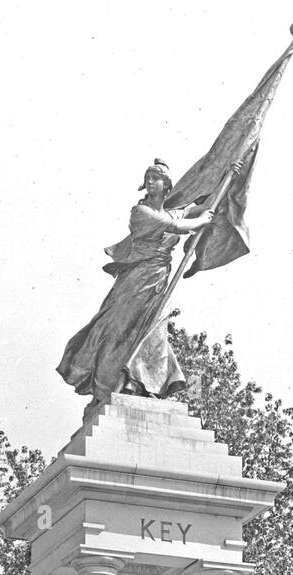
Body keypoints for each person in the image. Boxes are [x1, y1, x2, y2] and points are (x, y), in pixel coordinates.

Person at [57, 159, 215, 404]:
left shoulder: (171, 211)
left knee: (153, 331)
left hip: (160, 281)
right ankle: (106, 387)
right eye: (148, 178)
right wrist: (201, 220)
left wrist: (228, 173)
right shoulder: (140, 212)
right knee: (118, 331)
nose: (150, 182)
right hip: (136, 280)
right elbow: (175, 225)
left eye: (156, 178)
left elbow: (191, 208)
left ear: (167, 185)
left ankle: (139, 385)